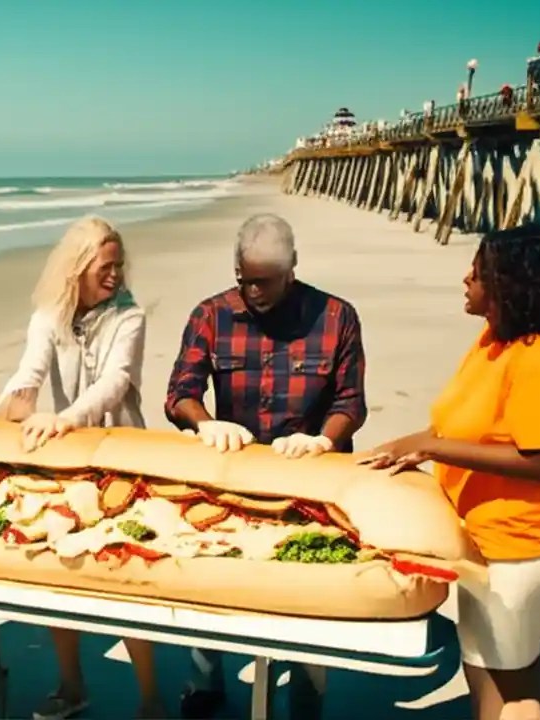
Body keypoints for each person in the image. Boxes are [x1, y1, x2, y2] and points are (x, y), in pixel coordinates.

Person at [163, 213, 367, 720]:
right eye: (245, 279)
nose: (253, 291)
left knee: (308, 594)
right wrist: (205, 423)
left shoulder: (337, 316)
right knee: (213, 577)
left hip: (313, 479)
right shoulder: (211, 315)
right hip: (237, 471)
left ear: (292, 268)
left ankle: (306, 698)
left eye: (265, 282)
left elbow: (351, 401)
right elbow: (179, 393)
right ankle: (206, 680)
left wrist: (323, 439)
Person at [364, 223, 540, 720]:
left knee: (509, 683)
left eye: (477, 273)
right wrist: (424, 446)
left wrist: (438, 448)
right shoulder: (495, 339)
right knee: (490, 665)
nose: (465, 279)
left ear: (506, 286)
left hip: (524, 547)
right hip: (489, 539)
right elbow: (471, 428)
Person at [0, 216, 161, 720]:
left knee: (124, 577)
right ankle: (71, 685)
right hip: (68, 460)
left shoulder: (128, 316)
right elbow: (29, 373)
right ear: (78, 268)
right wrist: (17, 404)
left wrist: (63, 419)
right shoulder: (49, 315)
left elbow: (113, 384)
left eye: (119, 266)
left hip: (123, 457)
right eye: (105, 267)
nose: (114, 276)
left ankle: (151, 700)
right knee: (62, 573)